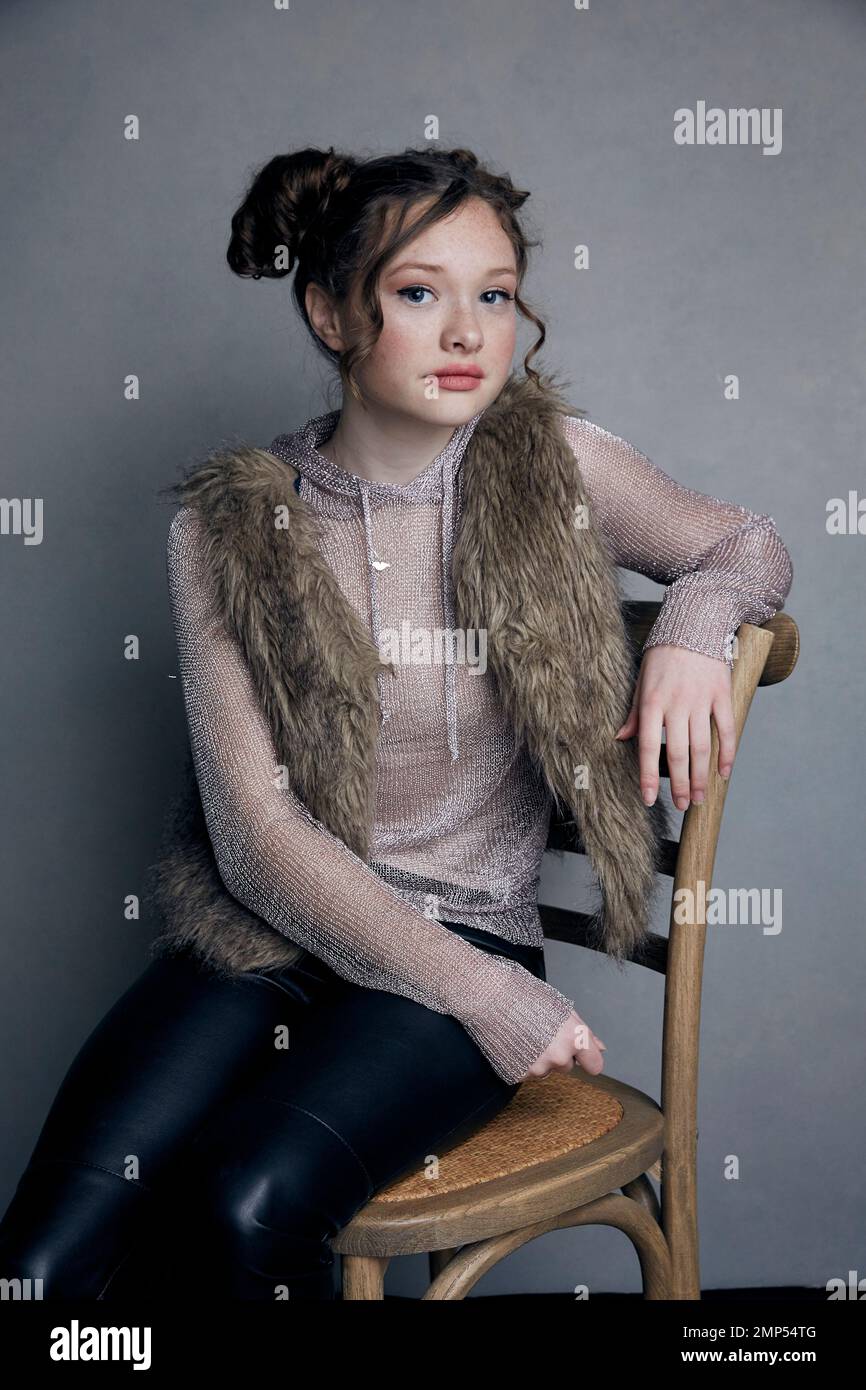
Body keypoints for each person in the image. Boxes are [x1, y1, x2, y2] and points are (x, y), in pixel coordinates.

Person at [0, 145, 793, 1301]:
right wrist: (503, 1007)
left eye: (495, 294)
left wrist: (690, 626)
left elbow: (744, 542)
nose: (470, 333)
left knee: (241, 1204)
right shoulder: (228, 529)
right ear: (329, 312)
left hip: (459, 935)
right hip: (263, 941)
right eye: (419, 293)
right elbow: (257, 840)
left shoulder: (551, 464)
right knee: (37, 1266)